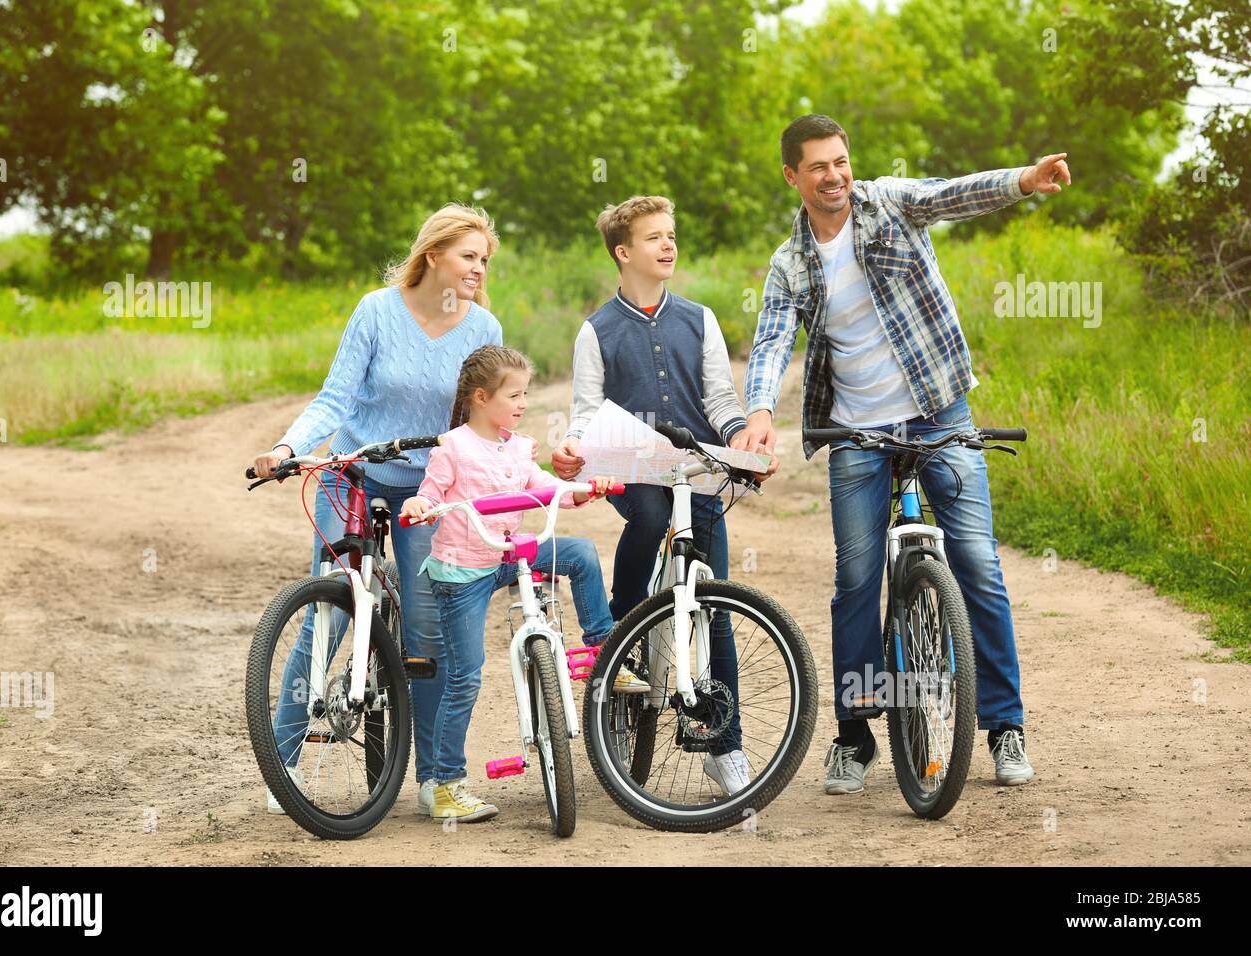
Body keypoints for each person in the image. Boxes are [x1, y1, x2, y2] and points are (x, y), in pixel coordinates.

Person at [737, 114, 1072, 794]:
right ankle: (856, 736)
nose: (834, 175)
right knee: (857, 579)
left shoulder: (889, 202)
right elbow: (773, 339)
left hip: (937, 409)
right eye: (818, 166)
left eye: (841, 160)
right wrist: (760, 413)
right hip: (856, 430)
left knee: (977, 559)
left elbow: (953, 195)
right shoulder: (790, 262)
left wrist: (1024, 182)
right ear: (792, 176)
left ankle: (1005, 726)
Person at [250, 203, 505, 815]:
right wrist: (289, 447)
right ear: (433, 254)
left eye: (485, 260)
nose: (478, 268)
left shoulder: (483, 329)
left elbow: (481, 418)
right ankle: (281, 766)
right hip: (356, 473)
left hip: (429, 489)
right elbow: (336, 397)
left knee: (426, 632)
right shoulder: (375, 310)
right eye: (469, 256)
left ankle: (437, 783)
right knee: (328, 613)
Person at [551, 195, 775, 796]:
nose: (669, 245)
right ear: (624, 252)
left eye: (672, 235)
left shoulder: (699, 318)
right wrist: (573, 448)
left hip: (695, 474)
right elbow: (587, 411)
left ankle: (723, 744)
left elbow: (721, 401)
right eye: (655, 238)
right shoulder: (596, 329)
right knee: (647, 512)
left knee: (717, 604)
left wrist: (740, 440)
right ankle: (622, 630)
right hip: (635, 471)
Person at [401, 345, 617, 822]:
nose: (522, 404)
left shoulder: (518, 447)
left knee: (579, 554)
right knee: (465, 675)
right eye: (514, 395)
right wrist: (420, 507)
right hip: (462, 569)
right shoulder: (452, 447)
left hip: (508, 552)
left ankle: (604, 648)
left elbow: (539, 485)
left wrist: (582, 491)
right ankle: (445, 784)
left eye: (526, 394)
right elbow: (430, 493)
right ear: (481, 397)